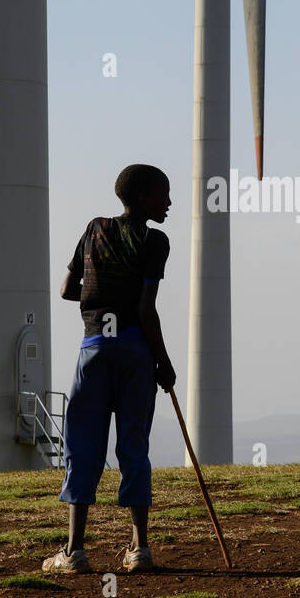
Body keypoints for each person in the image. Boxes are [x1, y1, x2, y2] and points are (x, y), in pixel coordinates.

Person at [42, 164, 176, 575]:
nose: (169, 203)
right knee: (133, 446)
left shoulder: (95, 229)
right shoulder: (156, 241)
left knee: (82, 448)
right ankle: (139, 550)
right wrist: (163, 361)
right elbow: (144, 307)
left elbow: (67, 289)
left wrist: (100, 295)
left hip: (95, 349)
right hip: (136, 352)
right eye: (162, 195)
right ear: (142, 199)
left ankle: (74, 552)